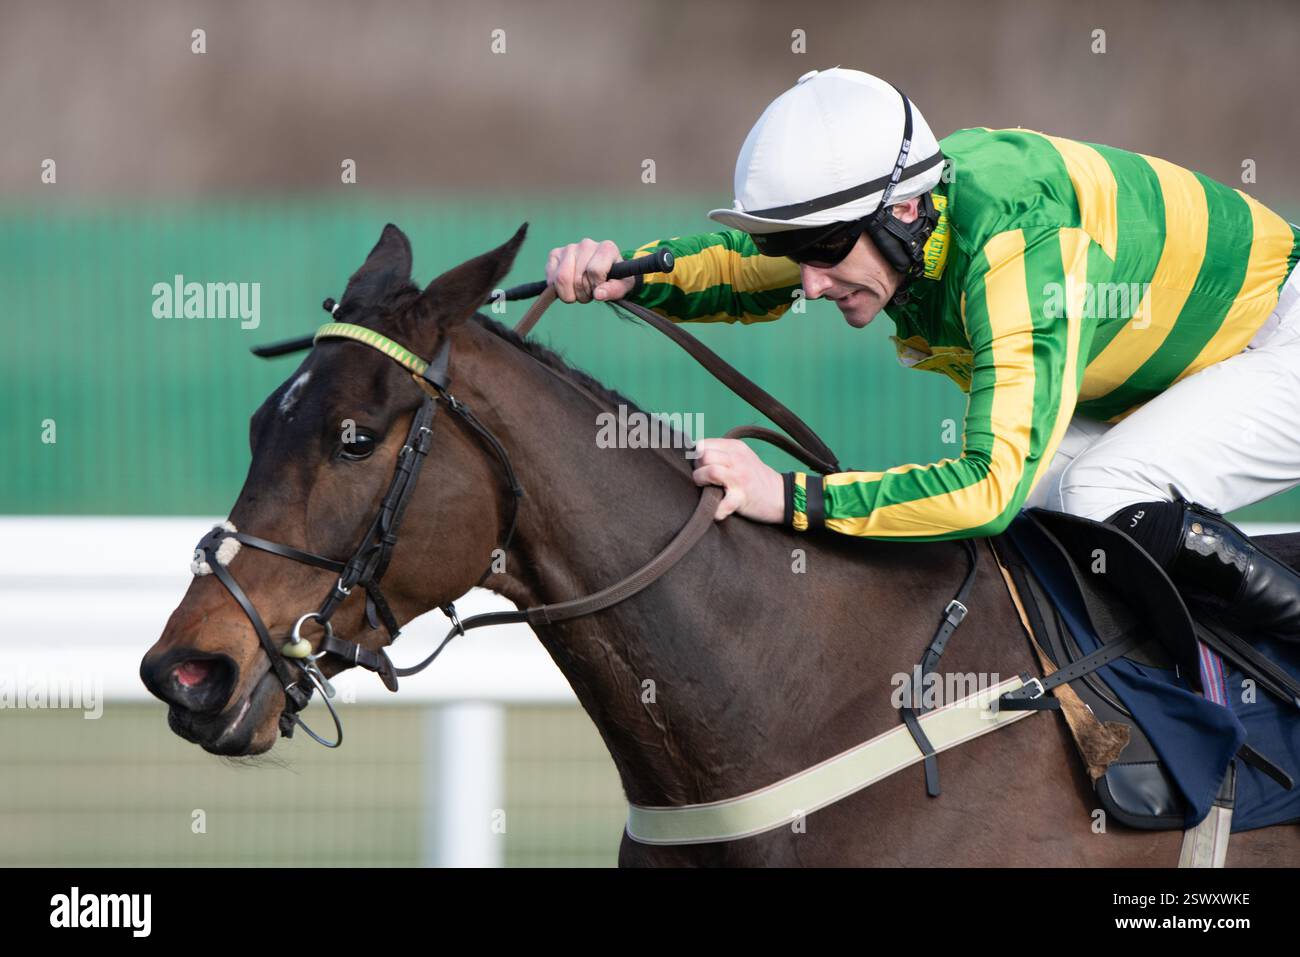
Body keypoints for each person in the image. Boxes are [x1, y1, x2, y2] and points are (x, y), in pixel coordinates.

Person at [544, 67, 1300, 639]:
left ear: (905, 210)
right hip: (1191, 366)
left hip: (1281, 336)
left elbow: (987, 487)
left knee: (1094, 497)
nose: (808, 280)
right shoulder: (897, 217)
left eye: (823, 249)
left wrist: (792, 498)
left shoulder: (1014, 243)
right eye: (794, 248)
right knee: (1044, 534)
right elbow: (746, 267)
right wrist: (630, 272)